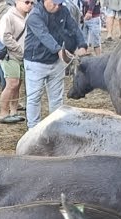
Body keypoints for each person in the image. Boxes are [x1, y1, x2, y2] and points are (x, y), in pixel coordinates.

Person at [23, 0, 84, 128]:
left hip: (56, 62)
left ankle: (56, 126)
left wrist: (82, 44)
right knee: (34, 98)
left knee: (57, 98)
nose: (57, 7)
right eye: (54, 3)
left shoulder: (64, 11)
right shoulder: (35, 16)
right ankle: (32, 128)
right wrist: (58, 50)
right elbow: (44, 35)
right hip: (36, 62)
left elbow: (74, 27)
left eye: (59, 4)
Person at [0, 0, 31, 123]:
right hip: (10, 55)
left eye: (32, 3)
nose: (30, 5)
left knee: (17, 84)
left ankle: (14, 111)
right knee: (12, 83)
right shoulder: (8, 16)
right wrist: (19, 49)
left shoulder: (29, 16)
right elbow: (5, 37)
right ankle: (3, 113)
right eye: (27, 2)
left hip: (22, 56)